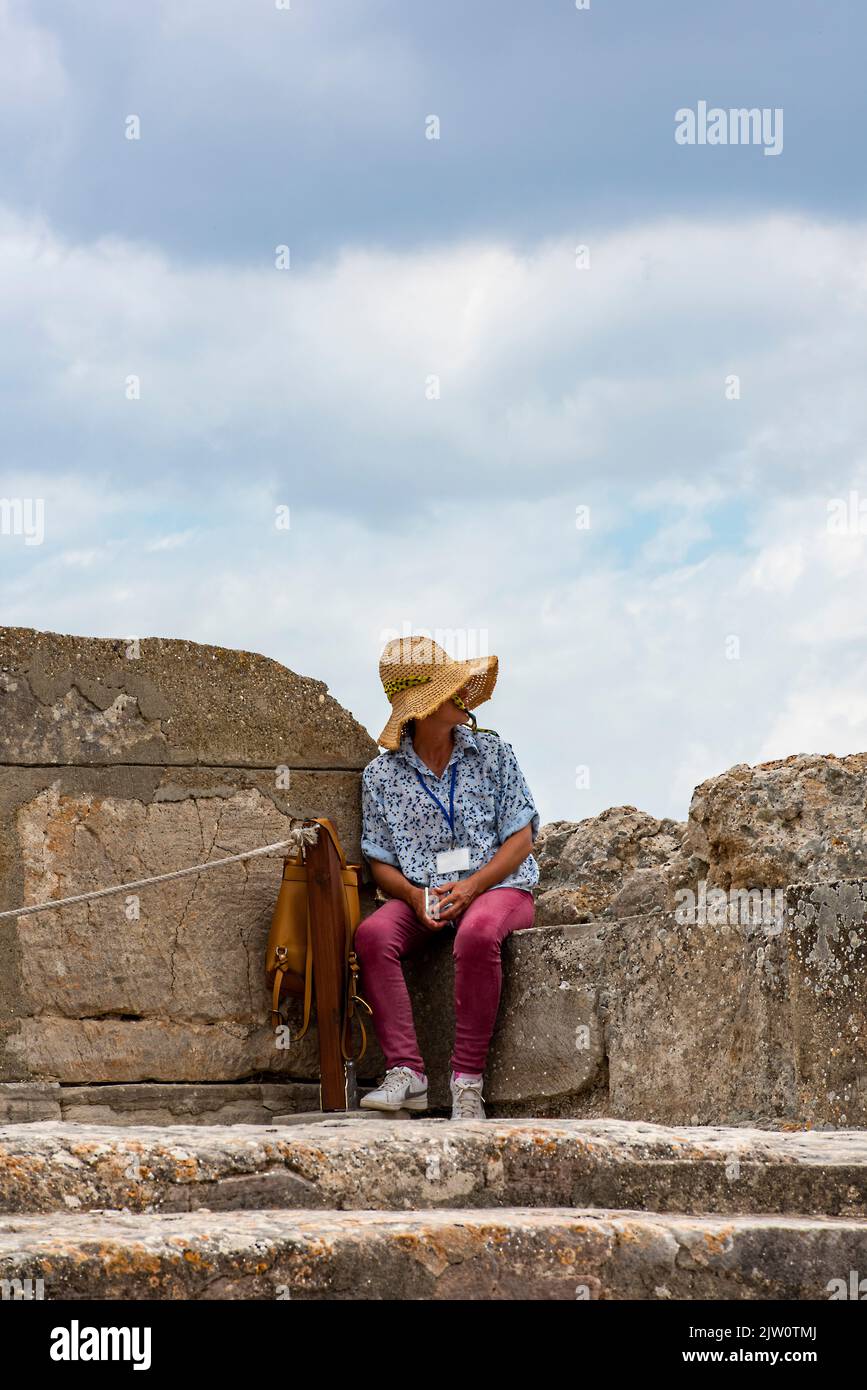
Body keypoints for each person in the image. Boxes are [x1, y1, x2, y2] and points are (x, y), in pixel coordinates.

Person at [355, 634, 539, 1119]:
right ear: (423, 707)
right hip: (427, 896)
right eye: (449, 688)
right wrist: (414, 897)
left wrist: (474, 886)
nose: (462, 694)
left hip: (499, 887)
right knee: (372, 935)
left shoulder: (494, 753)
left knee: (477, 934)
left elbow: (521, 839)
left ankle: (466, 1083)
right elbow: (379, 862)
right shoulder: (380, 777)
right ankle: (407, 1073)